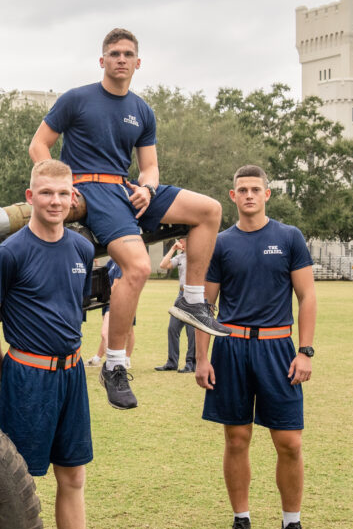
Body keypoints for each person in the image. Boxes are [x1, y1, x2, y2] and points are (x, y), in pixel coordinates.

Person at [29, 27, 227, 411]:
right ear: (102, 61)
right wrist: (60, 185)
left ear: (138, 62)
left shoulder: (142, 110)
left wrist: (148, 189)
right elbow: (39, 144)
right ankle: (115, 365)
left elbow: (149, 167)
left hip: (128, 189)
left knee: (210, 210)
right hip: (91, 189)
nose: (121, 59)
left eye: (128, 54)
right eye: (114, 53)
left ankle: (192, 299)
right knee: (137, 267)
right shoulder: (76, 99)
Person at [0, 159, 123, 529]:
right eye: (46, 193)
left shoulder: (80, 249)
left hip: (72, 374)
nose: (56, 201)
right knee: (12, 482)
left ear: (73, 197)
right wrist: (9, 371)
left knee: (72, 476)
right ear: (29, 196)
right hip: (27, 376)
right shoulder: (9, 253)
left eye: (64, 193)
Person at [193, 165, 319, 529]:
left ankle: (291, 524)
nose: (248, 195)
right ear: (232, 197)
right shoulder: (221, 243)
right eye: (241, 190)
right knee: (236, 438)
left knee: (290, 443)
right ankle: (241, 521)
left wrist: (305, 350)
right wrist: (201, 357)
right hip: (231, 349)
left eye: (255, 189)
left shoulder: (289, 237)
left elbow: (308, 296)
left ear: (267, 194)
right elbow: (204, 305)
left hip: (278, 348)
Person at [155, 237, 198, 373]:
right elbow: (163, 265)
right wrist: (173, 249)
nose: (180, 243)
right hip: (181, 296)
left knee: (191, 332)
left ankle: (191, 364)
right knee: (172, 328)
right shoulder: (180, 257)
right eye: (179, 241)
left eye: (182, 240)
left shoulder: (199, 255)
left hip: (194, 296)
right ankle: (172, 362)